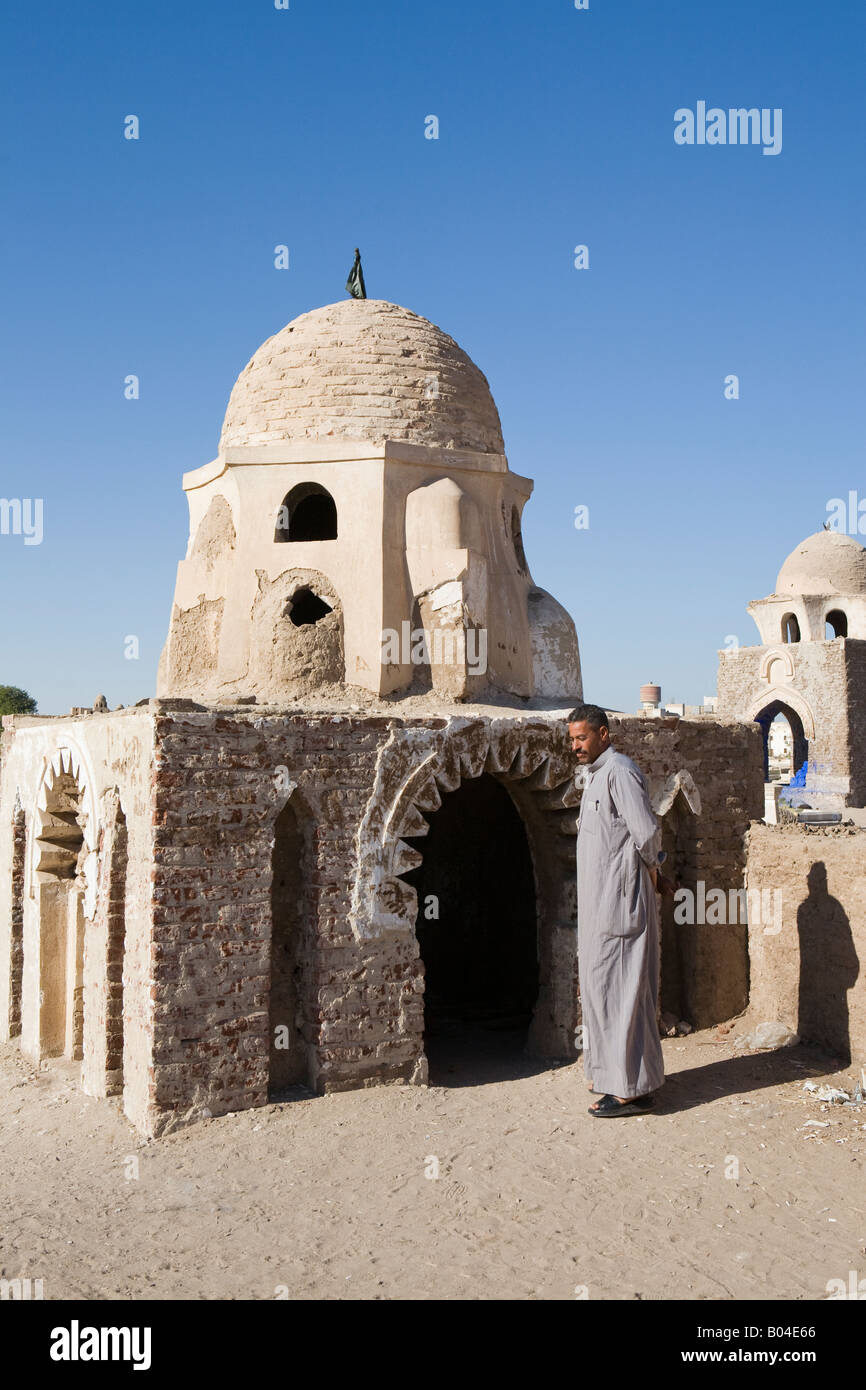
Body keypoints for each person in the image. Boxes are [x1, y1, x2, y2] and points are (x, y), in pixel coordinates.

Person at [568, 703, 665, 1117]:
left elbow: (646, 833)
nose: (576, 746)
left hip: (621, 904)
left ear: (604, 734)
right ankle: (616, 1077)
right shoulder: (595, 777)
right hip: (599, 907)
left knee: (623, 993)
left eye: (582, 737)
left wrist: (657, 871)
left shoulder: (620, 772)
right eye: (571, 739)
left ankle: (629, 1089)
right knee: (602, 992)